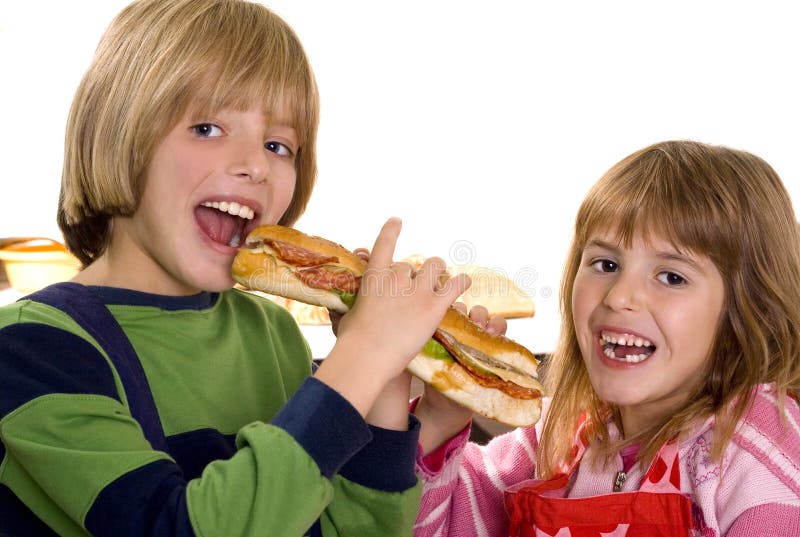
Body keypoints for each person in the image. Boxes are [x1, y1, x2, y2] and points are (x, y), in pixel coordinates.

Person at [0, 0, 471, 535]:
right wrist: (365, 353)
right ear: (118, 136)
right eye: (207, 127)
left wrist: (386, 380)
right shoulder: (32, 349)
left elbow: (351, 530)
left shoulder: (272, 333)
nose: (255, 165)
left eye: (278, 145)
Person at [412, 140, 800, 536]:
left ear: (749, 308)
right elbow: (427, 526)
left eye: (672, 277)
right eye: (606, 264)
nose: (618, 297)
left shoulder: (761, 455)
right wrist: (440, 417)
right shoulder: (555, 437)